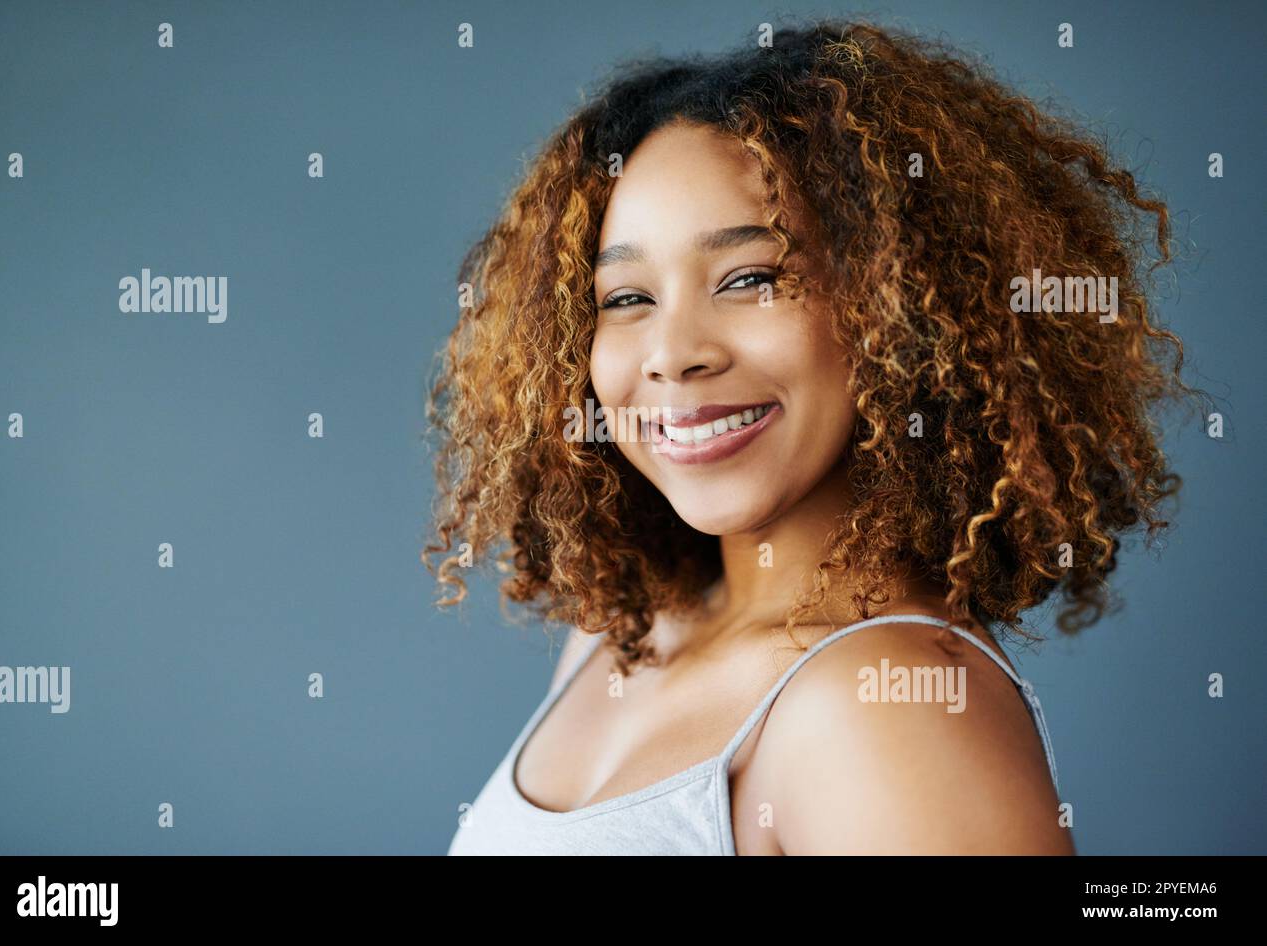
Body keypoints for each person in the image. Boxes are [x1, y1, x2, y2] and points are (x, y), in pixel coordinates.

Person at [427, 21, 1199, 855]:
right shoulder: (623, 634)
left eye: (751, 278)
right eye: (625, 297)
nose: (675, 354)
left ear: (899, 309)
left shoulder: (885, 704)